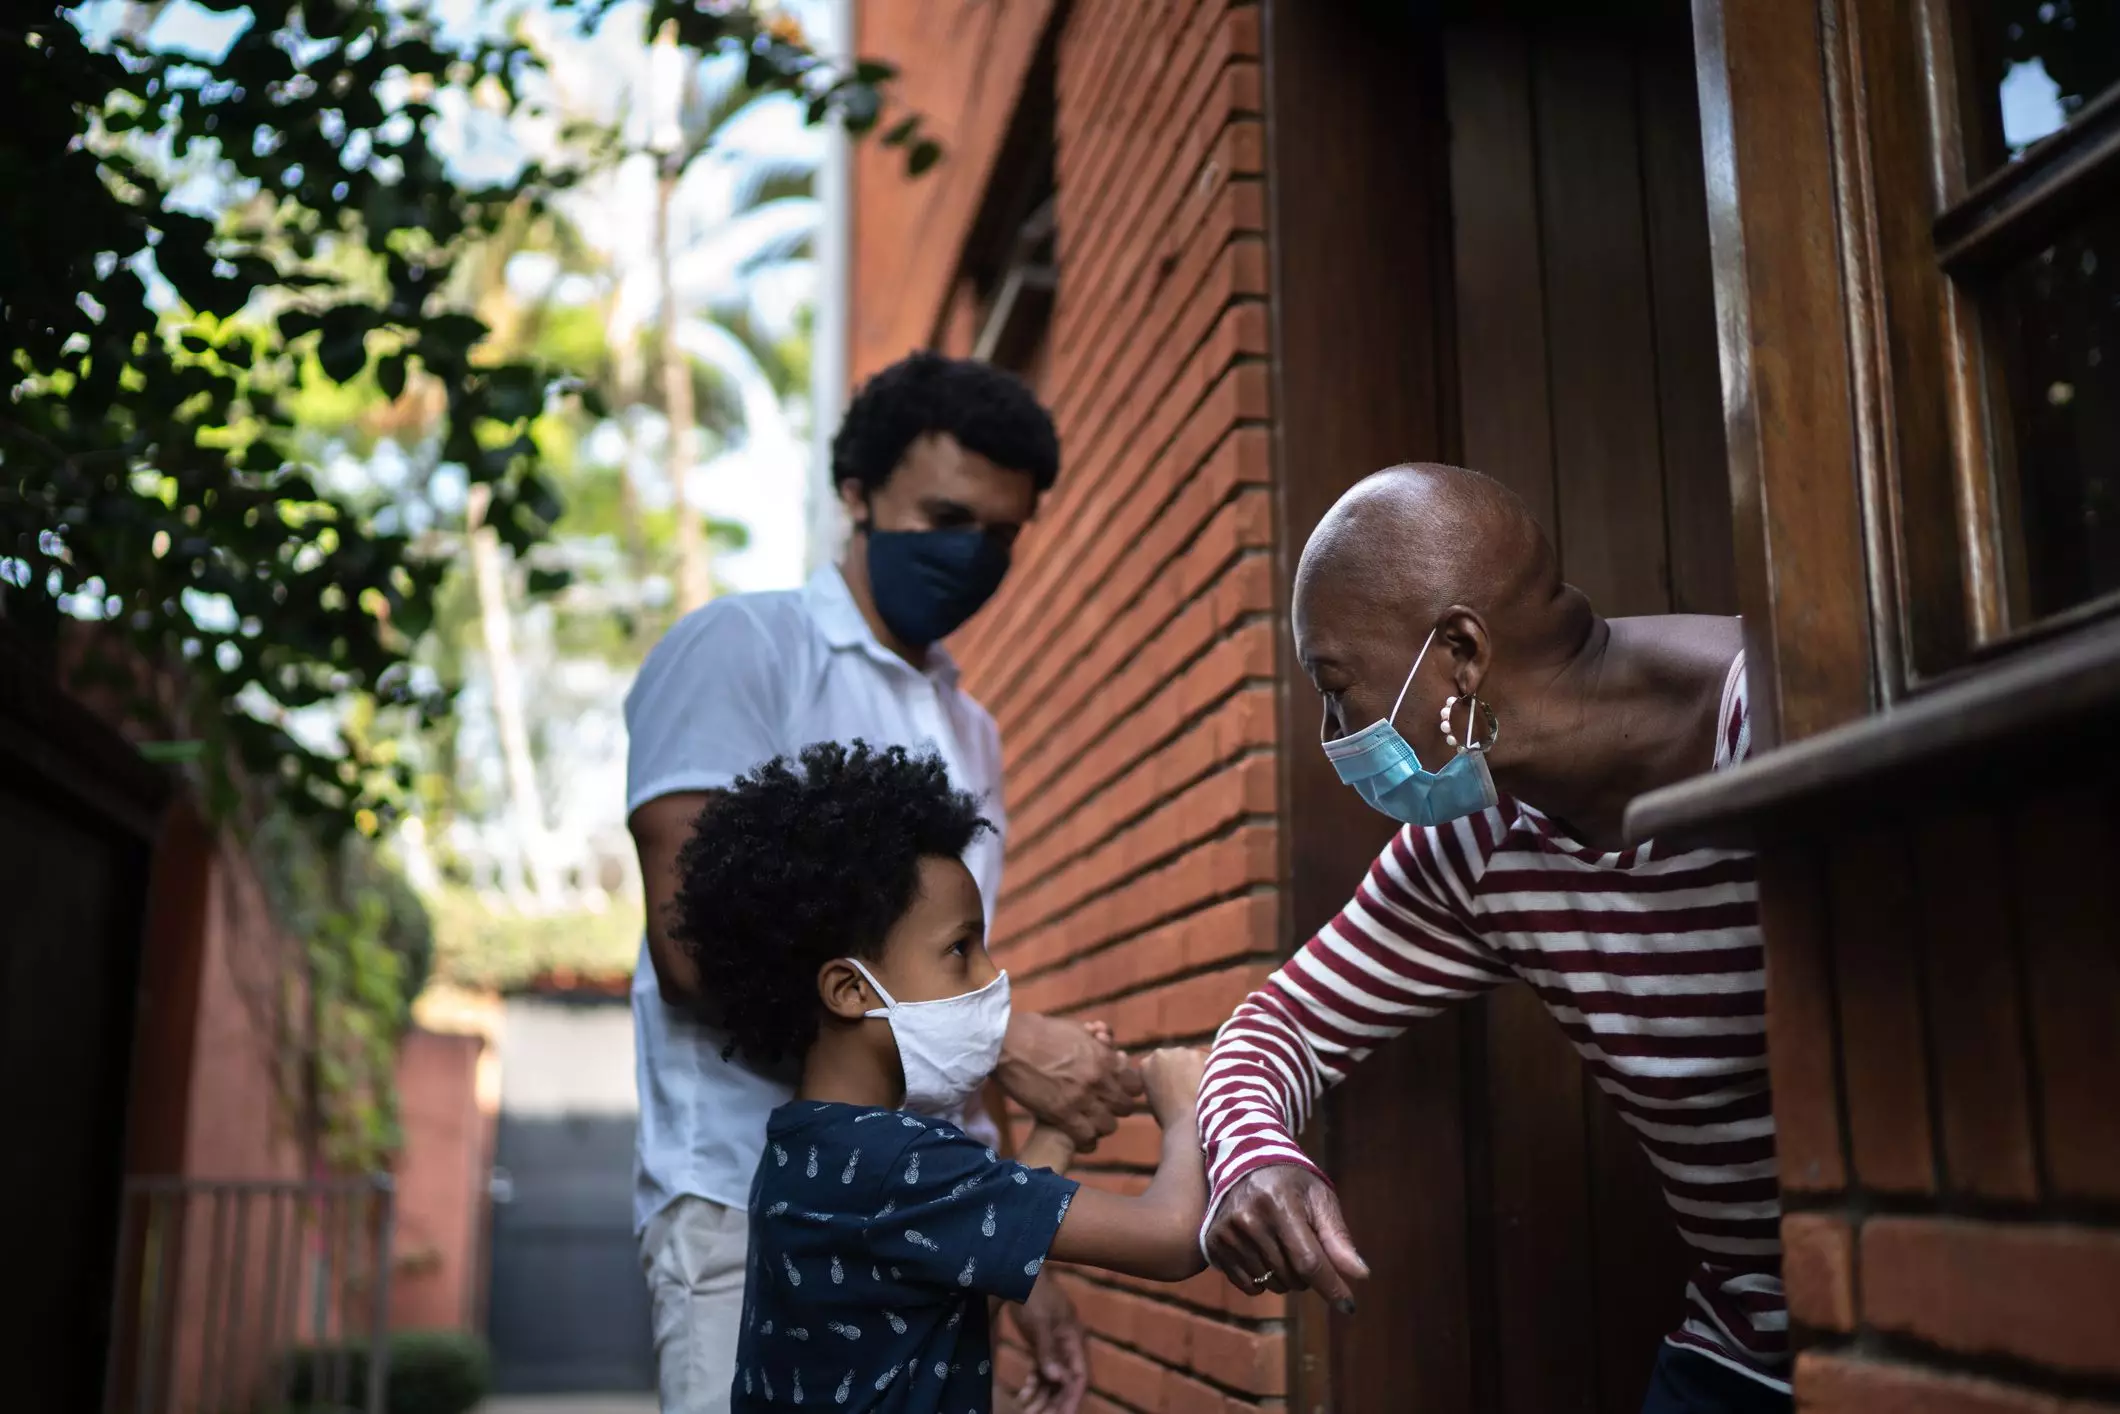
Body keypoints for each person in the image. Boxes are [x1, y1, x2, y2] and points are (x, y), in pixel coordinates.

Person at [1195, 463, 1788, 1414]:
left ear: (1460, 655)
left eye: (1336, 685)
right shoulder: (1471, 842)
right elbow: (1278, 1027)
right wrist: (1254, 1155)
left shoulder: (1778, 719)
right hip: (1743, 1345)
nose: (1332, 731)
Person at [625, 352, 1143, 1414]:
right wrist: (1012, 1041)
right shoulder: (743, 648)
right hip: (751, 1210)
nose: (972, 552)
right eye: (947, 516)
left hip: (929, 1218)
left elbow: (941, 983)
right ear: (856, 495)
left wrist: (1020, 1244)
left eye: (1001, 534)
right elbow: (688, 948)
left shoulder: (969, 727)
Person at [671, 741, 1208, 1414]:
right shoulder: (901, 1164)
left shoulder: (806, 1151)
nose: (992, 980)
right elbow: (1174, 1239)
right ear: (848, 989)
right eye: (960, 950)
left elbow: (963, 1261)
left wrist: (1061, 1129)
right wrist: (1185, 1109)